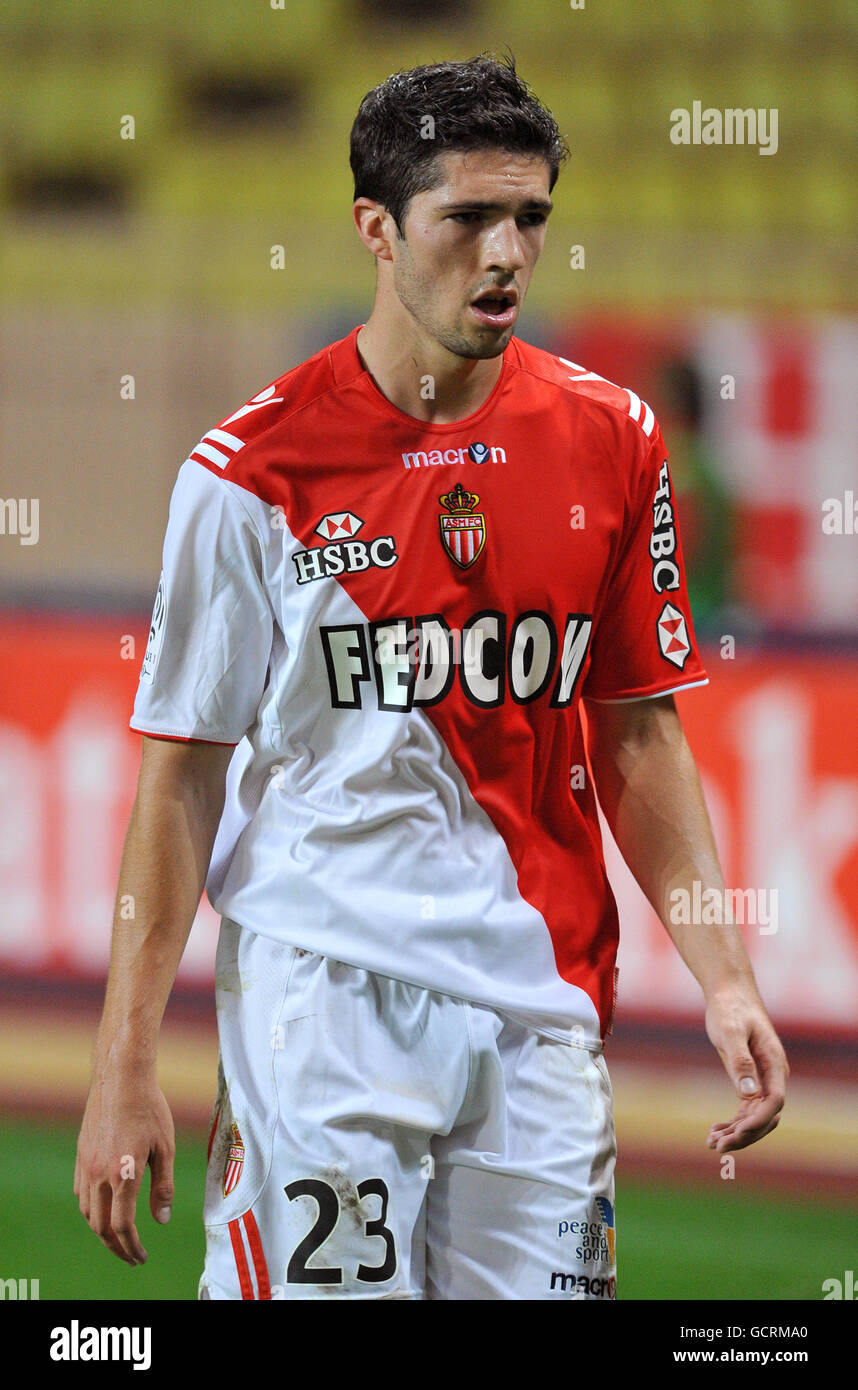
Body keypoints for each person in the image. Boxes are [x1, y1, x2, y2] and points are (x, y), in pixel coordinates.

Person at [75, 53, 788, 1301]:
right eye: (469, 218)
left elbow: (641, 736)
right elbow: (179, 777)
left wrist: (725, 975)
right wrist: (123, 1063)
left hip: (541, 1019)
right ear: (376, 228)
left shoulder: (613, 441)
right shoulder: (250, 475)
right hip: (322, 1006)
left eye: (530, 218)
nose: (507, 252)